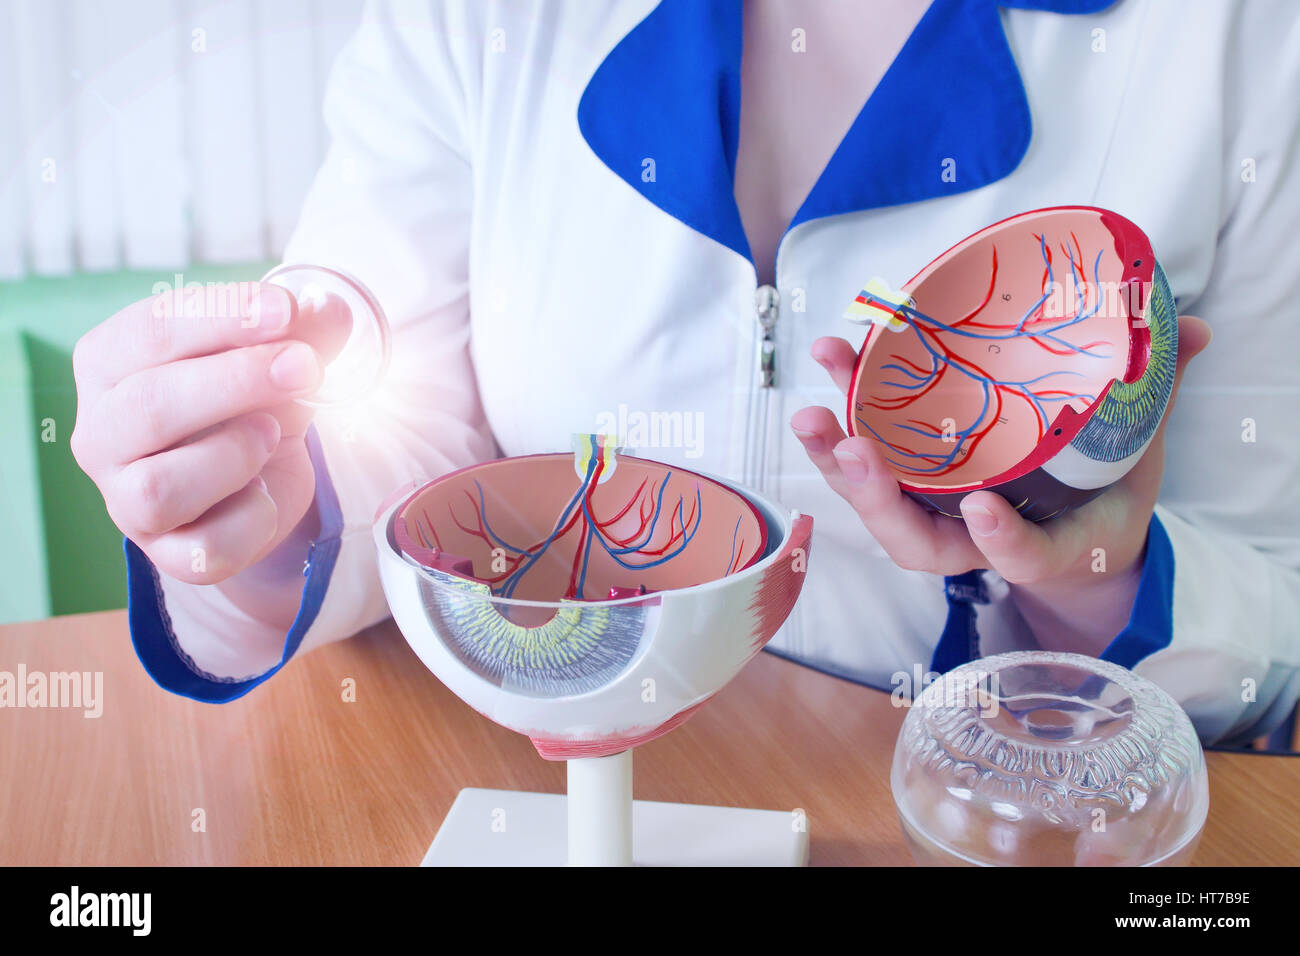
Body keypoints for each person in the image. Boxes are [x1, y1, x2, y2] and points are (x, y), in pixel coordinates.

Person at [70, 0, 1300, 745]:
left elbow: (1276, 633)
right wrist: (259, 513)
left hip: (977, 812)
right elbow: (395, 424)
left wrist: (1093, 576)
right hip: (548, 780)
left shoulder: (1242, 49)